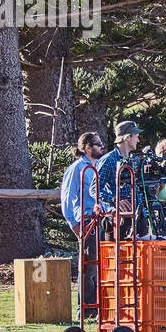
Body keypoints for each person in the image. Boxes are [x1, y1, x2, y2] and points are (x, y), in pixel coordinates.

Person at [60, 131, 104, 312]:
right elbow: (67, 198)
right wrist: (74, 224)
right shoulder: (77, 169)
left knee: (99, 265)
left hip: (99, 220)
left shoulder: (99, 167)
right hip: (85, 221)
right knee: (88, 265)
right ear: (87, 148)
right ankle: (85, 308)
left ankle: (98, 305)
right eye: (97, 144)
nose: (102, 147)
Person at [97, 120, 148, 239]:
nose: (138, 140)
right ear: (128, 138)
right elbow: (94, 189)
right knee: (118, 256)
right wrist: (113, 199)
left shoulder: (134, 159)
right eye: (136, 136)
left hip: (138, 216)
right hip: (118, 219)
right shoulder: (108, 160)